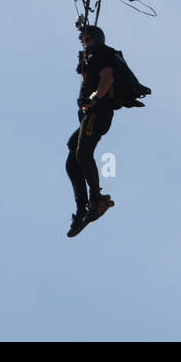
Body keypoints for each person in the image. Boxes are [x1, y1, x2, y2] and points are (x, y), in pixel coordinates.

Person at [66, 25, 117, 237]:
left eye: (89, 40)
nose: (87, 44)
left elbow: (107, 78)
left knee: (83, 154)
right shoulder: (90, 58)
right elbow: (90, 81)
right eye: (84, 41)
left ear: (98, 39)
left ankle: (96, 199)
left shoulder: (102, 55)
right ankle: (81, 210)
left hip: (99, 112)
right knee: (72, 158)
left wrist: (94, 99)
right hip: (91, 114)